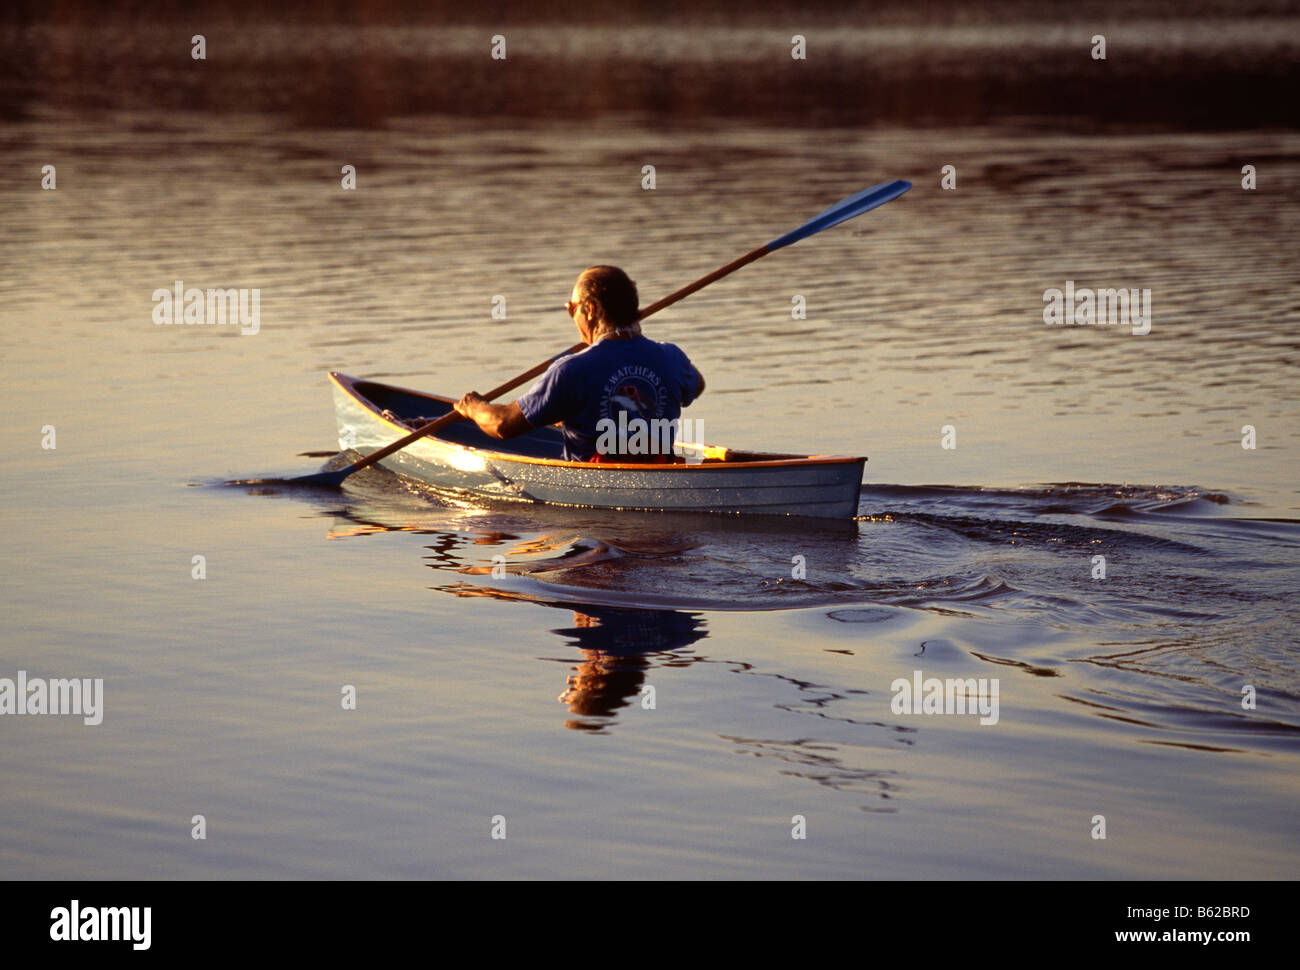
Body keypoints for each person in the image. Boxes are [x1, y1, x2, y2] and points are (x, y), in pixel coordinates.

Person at [454, 266, 705, 462]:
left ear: (591, 310)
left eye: (571, 308)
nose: (572, 316)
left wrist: (473, 408)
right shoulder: (673, 357)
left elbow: (502, 425)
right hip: (658, 465)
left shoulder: (570, 371)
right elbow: (697, 385)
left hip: (596, 476)